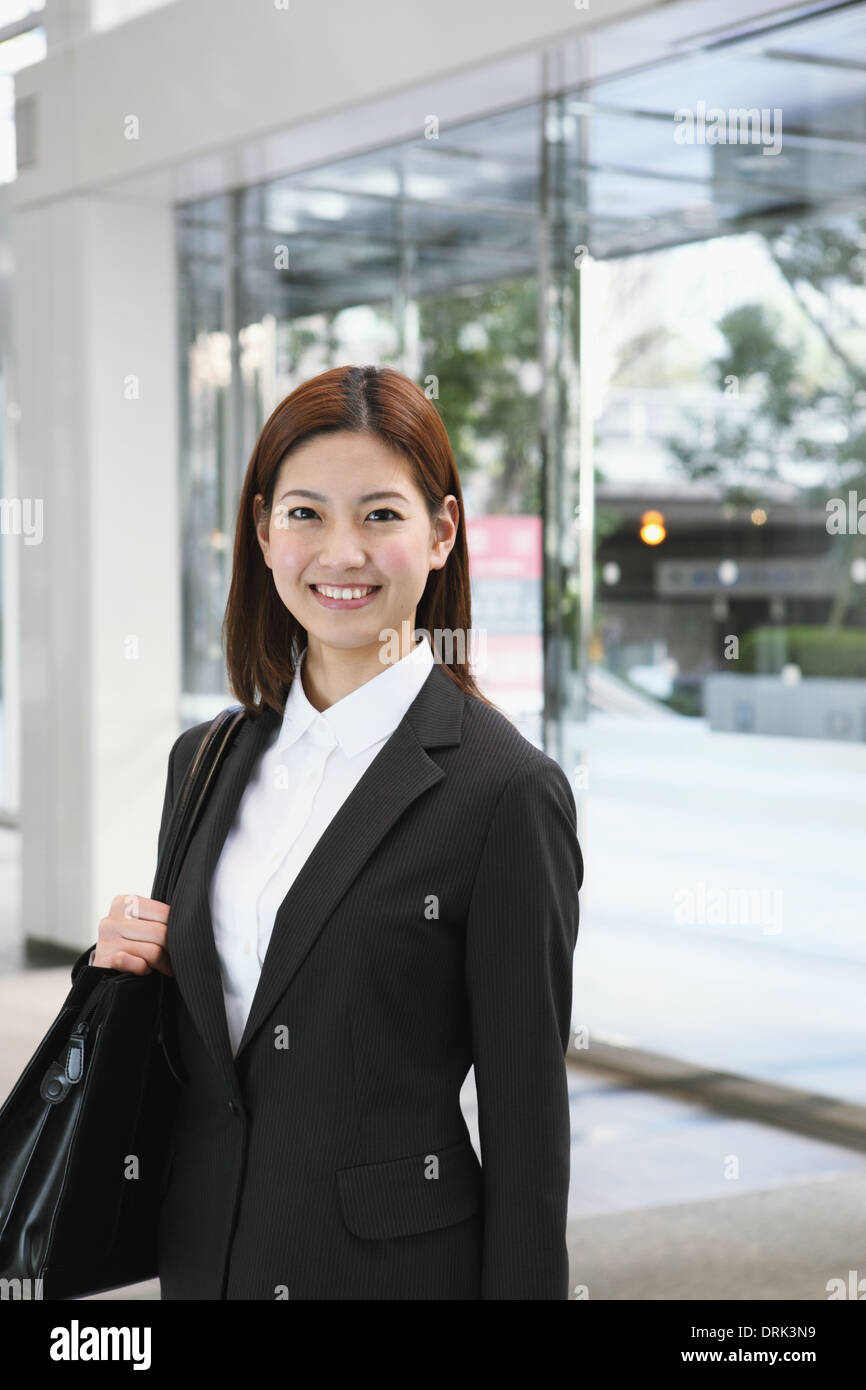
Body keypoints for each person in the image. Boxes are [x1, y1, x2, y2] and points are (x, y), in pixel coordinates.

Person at [71, 363, 584, 1300]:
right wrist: (125, 966)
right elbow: (198, 1051)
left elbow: (528, 1141)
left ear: (441, 534)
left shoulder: (506, 794)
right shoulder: (208, 761)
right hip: (206, 1259)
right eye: (306, 514)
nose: (340, 552)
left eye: (381, 515)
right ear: (263, 532)